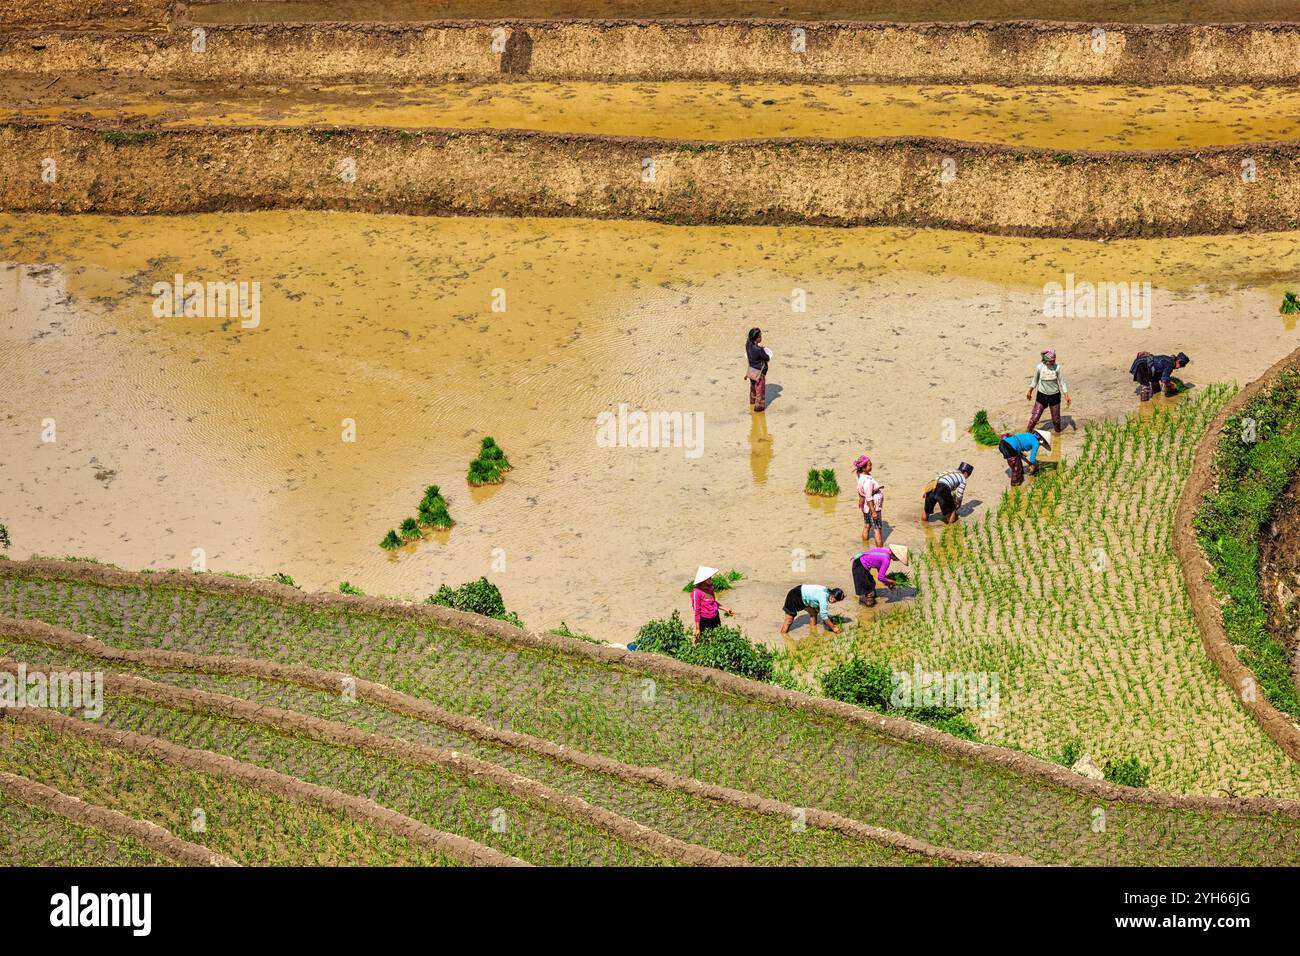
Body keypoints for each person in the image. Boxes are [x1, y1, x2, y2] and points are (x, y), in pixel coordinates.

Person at [1026, 348, 1070, 432]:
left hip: (1055, 396)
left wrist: (1066, 395)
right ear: (1045, 360)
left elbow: (1062, 382)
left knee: (1056, 420)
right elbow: (1035, 380)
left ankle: (1058, 435)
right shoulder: (1040, 367)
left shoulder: (1057, 368)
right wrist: (1030, 391)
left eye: (1053, 360)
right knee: (1035, 418)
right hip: (1042, 396)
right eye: (1050, 361)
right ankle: (1028, 432)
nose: (1052, 362)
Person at [690, 566, 733, 645]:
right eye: (708, 578)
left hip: (715, 617)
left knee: (718, 637)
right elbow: (697, 611)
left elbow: (713, 602)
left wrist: (725, 608)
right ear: (703, 580)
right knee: (703, 641)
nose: (711, 578)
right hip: (705, 620)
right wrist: (697, 629)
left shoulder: (711, 588)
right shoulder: (697, 592)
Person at [780, 584, 844, 636]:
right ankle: (783, 636)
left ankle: (813, 631)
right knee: (789, 620)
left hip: (803, 594)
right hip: (795, 595)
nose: (832, 600)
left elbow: (819, 609)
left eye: (834, 600)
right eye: (832, 597)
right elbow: (824, 616)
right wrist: (833, 628)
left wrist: (827, 620)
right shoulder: (823, 597)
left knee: (813, 613)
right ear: (832, 593)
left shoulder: (826, 591)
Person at [854, 455, 885, 547]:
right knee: (877, 530)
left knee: (867, 525)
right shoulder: (868, 481)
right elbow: (869, 497)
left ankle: (865, 546)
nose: (871, 467)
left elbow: (861, 491)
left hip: (865, 507)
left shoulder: (860, 476)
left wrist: (860, 499)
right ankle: (880, 552)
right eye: (869, 465)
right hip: (872, 507)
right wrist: (874, 512)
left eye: (871, 465)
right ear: (863, 468)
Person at [745, 327, 772, 412]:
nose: (761, 337)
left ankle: (752, 403)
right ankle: (758, 411)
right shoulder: (759, 350)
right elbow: (767, 358)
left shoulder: (748, 344)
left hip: (751, 372)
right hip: (759, 374)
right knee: (760, 393)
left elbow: (753, 351)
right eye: (760, 336)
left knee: (753, 390)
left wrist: (758, 347)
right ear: (756, 338)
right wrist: (763, 350)